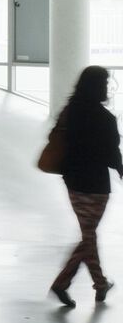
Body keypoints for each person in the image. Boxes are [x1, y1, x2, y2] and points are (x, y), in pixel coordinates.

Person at [46, 65, 121, 308]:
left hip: (74, 183)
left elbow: (53, 138)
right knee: (88, 236)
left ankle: (82, 283)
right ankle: (92, 284)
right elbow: (112, 156)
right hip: (97, 186)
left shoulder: (70, 111)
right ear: (100, 87)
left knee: (87, 236)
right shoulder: (106, 119)